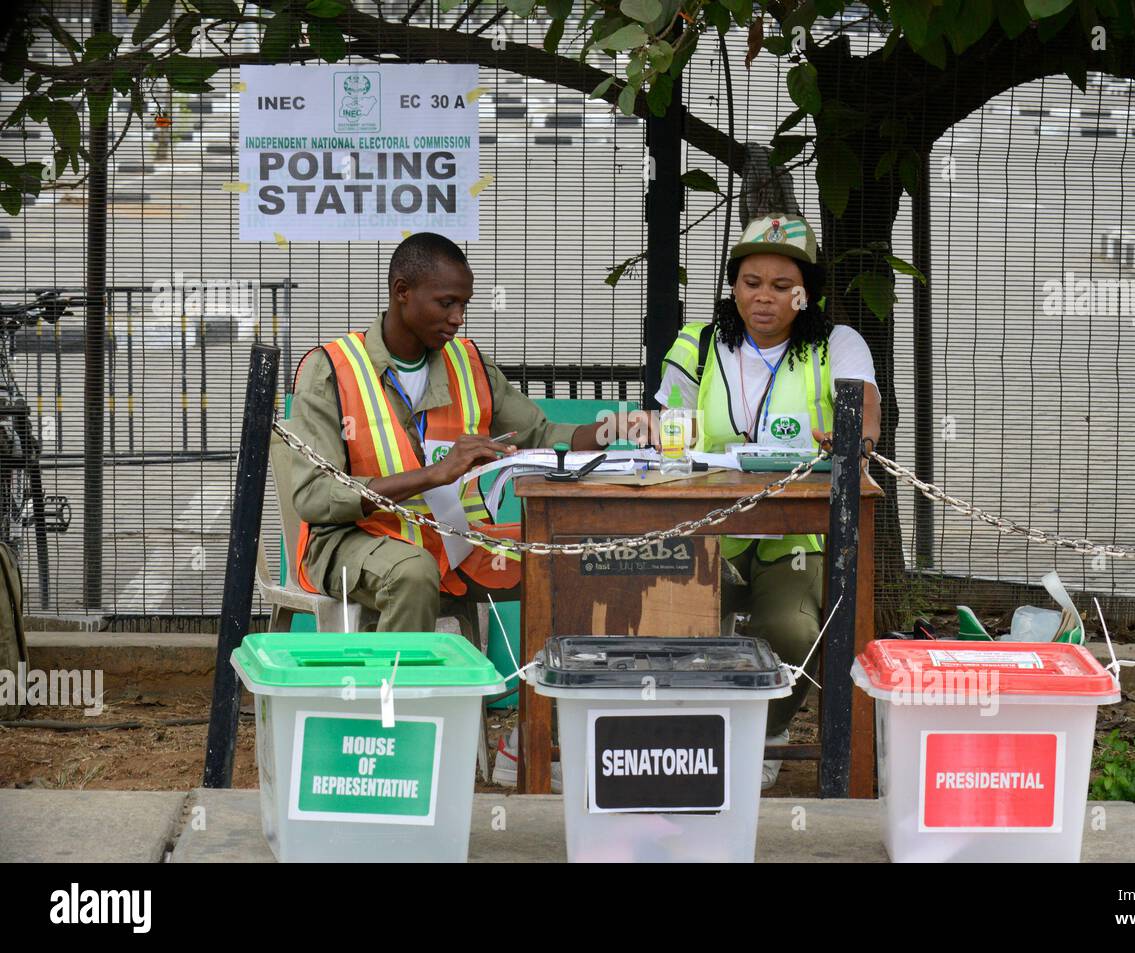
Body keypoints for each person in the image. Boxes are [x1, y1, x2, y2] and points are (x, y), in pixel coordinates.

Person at [283, 231, 643, 633]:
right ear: (402, 291)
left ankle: (556, 691)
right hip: (354, 540)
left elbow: (543, 435)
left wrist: (619, 426)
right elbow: (314, 498)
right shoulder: (330, 369)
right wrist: (434, 474)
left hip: (452, 541)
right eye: (447, 303)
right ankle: (400, 695)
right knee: (412, 572)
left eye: (464, 304)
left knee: (575, 551)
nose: (458, 317)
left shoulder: (470, 364)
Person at [657, 212, 882, 789]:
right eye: (752, 282)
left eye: (783, 286)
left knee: (791, 628)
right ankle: (681, 739)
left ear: (807, 294)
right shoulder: (698, 343)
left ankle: (767, 732)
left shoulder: (839, 344)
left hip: (795, 534)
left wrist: (856, 440)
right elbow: (666, 425)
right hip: (709, 527)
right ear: (732, 286)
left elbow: (866, 408)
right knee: (669, 621)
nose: (764, 297)